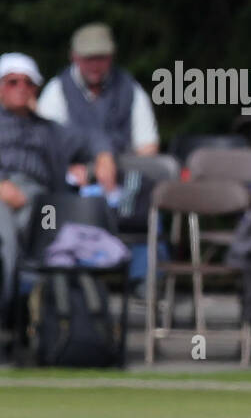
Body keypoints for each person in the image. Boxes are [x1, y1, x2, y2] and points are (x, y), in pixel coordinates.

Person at [0, 52, 111, 316]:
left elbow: (92, 139)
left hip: (39, 201)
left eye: (27, 82)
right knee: (5, 231)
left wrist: (100, 162)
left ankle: (13, 312)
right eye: (12, 81)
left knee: (25, 234)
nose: (20, 88)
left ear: (35, 89)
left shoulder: (49, 130)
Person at [37, 22, 159, 162]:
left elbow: (148, 146)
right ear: (74, 57)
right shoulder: (57, 90)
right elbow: (47, 144)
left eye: (101, 58)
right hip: (72, 170)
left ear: (112, 56)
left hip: (122, 168)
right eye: (88, 58)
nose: (95, 65)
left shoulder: (130, 88)